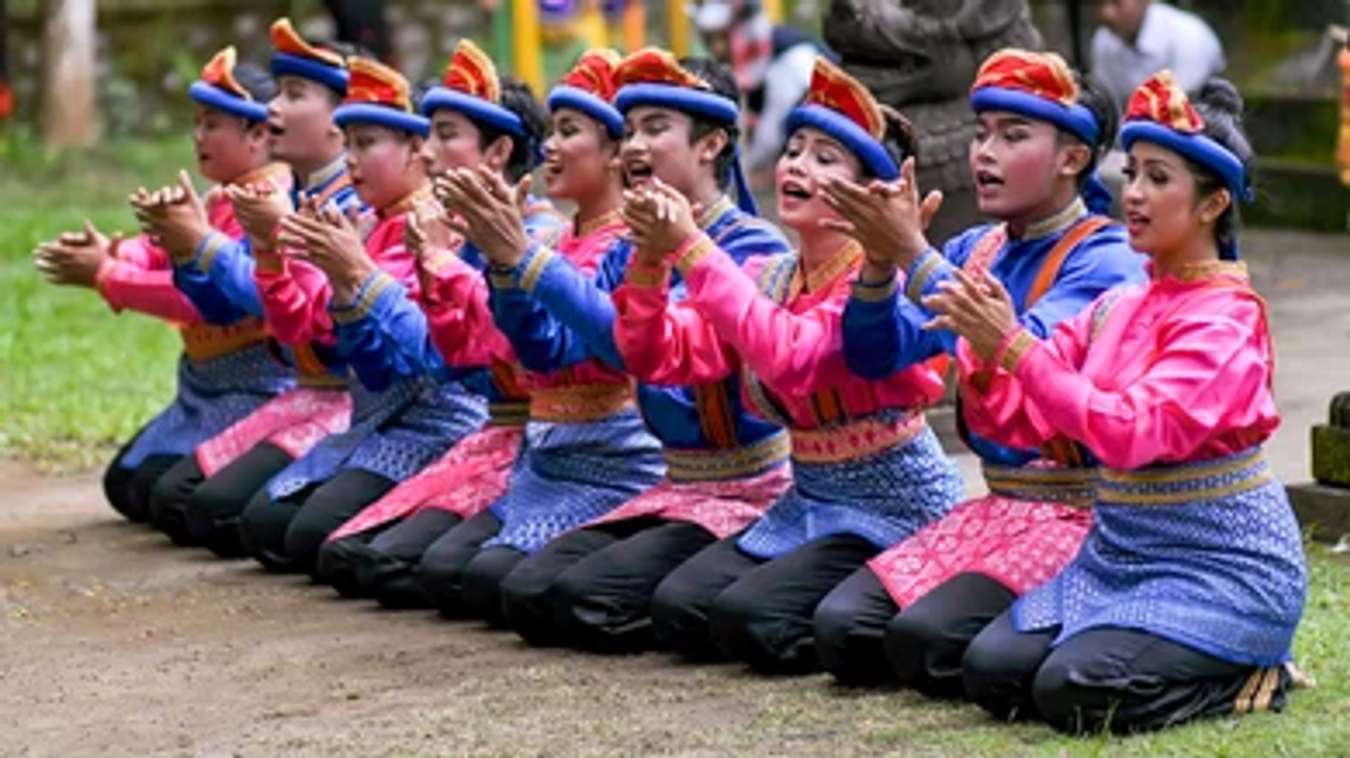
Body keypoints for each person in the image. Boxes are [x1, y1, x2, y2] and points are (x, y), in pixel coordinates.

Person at [953, 71, 1308, 734]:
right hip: (1117, 559)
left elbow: (1128, 432)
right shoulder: (1121, 305)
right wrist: (987, 351)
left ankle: (1250, 670)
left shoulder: (1226, 323)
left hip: (1220, 573)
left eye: (1158, 179)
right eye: (1133, 173)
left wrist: (1012, 349)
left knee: (1074, 688)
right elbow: (1023, 413)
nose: (1134, 195)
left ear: (1211, 204)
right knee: (989, 669)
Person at [610, 56, 965, 674]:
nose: (797, 164)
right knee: (681, 605)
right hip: (808, 498)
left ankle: (891, 592)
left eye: (826, 158)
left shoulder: (878, 282)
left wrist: (691, 247)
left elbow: (792, 357)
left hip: (891, 502)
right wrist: (648, 262)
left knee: (756, 621)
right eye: (795, 148)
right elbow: (656, 355)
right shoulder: (768, 277)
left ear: (873, 193)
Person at [423, 48, 793, 636]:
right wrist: (503, 267)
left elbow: (645, 351)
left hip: (747, 485)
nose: (635, 147)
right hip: (667, 480)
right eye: (631, 131)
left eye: (656, 128)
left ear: (712, 144)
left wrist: (523, 258)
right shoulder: (627, 249)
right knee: (500, 587)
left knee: (563, 596)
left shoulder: (753, 247)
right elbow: (548, 350)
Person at [812, 49, 1144, 691]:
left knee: (926, 641)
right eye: (982, 133)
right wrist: (880, 263)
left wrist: (911, 249)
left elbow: (1025, 357)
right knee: (841, 627)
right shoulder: (977, 249)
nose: (983, 153)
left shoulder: (1106, 258)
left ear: (1073, 158)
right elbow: (876, 356)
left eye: (1013, 136)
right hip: (1000, 505)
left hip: (1080, 516)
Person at [310, 40, 571, 600]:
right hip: (480, 430)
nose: (426, 154)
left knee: (382, 563)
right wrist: (331, 278)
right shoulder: (446, 232)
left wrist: (370, 274)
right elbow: (367, 359)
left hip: (540, 439)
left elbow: (466, 363)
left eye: (445, 135)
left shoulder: (543, 240)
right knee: (335, 551)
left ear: (499, 151)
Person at [232, 55, 490, 574]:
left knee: (317, 544)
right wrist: (269, 250)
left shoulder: (440, 229)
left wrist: (344, 269)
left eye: (366, 144)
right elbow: (303, 336)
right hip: (371, 415)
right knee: (259, 523)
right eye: (347, 144)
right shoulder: (366, 220)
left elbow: (427, 354)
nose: (350, 160)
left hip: (438, 423)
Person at [33, 46, 295, 527]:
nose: (199, 137)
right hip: (205, 387)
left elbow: (202, 300)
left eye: (212, 124)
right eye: (196, 123)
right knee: (127, 485)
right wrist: (115, 255)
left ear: (258, 134)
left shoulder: (270, 203)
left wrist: (107, 275)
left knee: (166, 497)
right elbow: (157, 248)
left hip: (259, 388)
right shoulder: (223, 197)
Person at [141, 19, 365, 556]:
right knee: (164, 497)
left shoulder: (355, 207)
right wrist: (185, 251)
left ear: (341, 120)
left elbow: (308, 323)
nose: (275, 111)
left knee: (213, 510)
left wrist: (205, 247)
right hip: (310, 395)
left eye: (294, 95)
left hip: (347, 404)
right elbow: (236, 309)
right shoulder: (293, 197)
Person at [692, 0, 817, 178]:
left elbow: (772, 135)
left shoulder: (792, 57)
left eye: (723, 37)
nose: (717, 49)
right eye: (710, 40)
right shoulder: (749, 72)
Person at [1091, 1, 1225, 108]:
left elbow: (1182, 112)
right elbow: (1108, 105)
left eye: (1116, 3)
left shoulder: (1188, 35)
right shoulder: (1104, 39)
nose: (1106, 13)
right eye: (1098, 3)